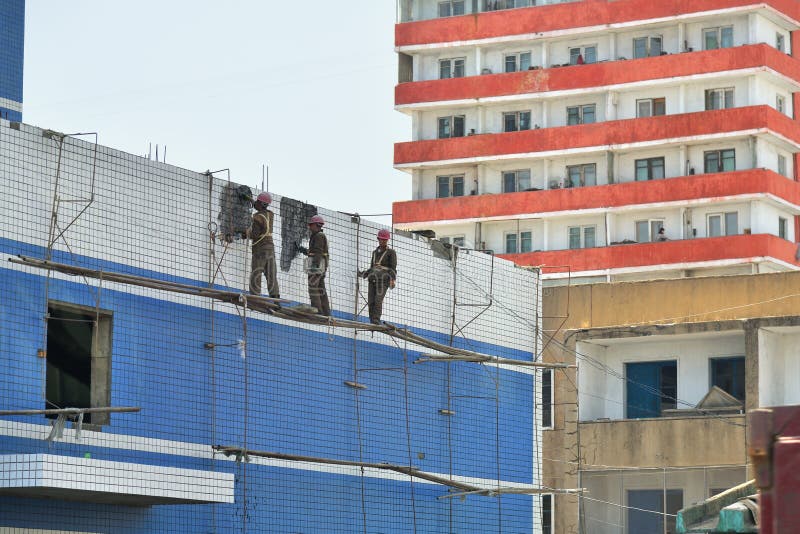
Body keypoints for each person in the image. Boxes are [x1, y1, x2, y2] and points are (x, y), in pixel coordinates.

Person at [360, 229, 397, 324]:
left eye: (385, 240)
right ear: (378, 239)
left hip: (383, 281)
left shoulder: (391, 252)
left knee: (378, 300)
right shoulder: (374, 252)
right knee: (371, 301)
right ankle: (372, 320)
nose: (383, 241)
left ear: (387, 240)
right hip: (372, 280)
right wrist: (363, 274)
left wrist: (392, 279)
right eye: (381, 239)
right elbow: (372, 267)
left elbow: (393, 268)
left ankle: (376, 320)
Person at [248, 192, 280, 298]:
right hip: (270, 249)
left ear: (261, 204)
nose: (254, 204)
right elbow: (261, 208)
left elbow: (255, 234)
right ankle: (275, 298)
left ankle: (254, 296)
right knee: (271, 275)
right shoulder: (270, 214)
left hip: (260, 249)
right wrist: (252, 201)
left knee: (256, 273)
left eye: (257, 202)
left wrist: (243, 232)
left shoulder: (257, 217)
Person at [298, 215, 330, 316]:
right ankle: (325, 312)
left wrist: (314, 266)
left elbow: (318, 252)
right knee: (320, 288)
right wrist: (303, 250)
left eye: (311, 225)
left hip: (317, 264)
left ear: (317, 225)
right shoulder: (318, 235)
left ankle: (317, 309)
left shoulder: (319, 236)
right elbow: (314, 251)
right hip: (321, 264)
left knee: (313, 287)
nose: (310, 227)